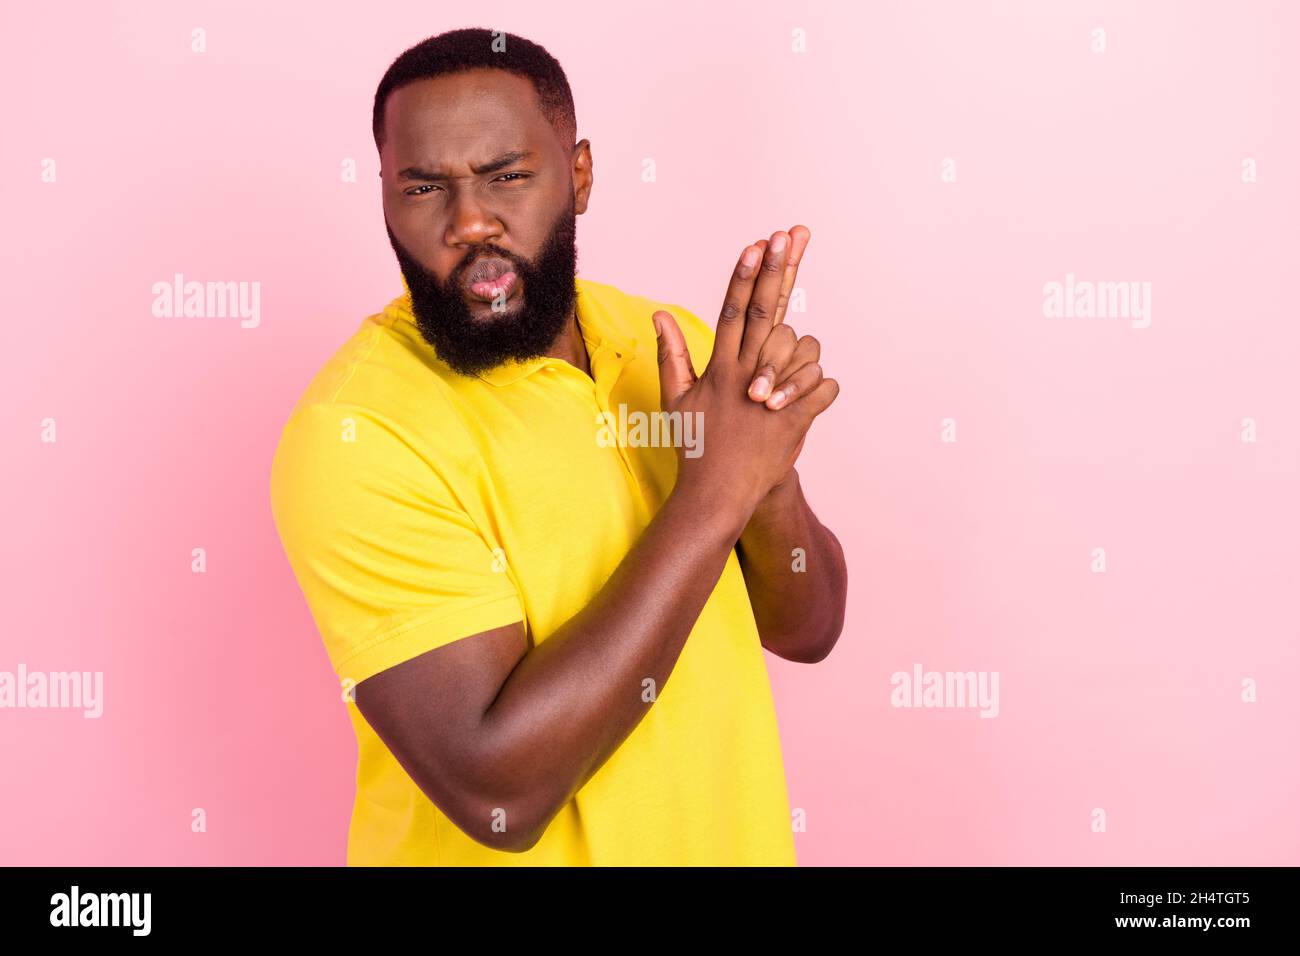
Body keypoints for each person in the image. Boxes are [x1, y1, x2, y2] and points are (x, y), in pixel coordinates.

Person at [269, 27, 845, 866]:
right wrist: (717, 490)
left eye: (507, 176)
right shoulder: (357, 435)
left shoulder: (670, 348)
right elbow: (500, 794)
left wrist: (767, 471)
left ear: (579, 176)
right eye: (425, 187)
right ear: (385, 196)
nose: (470, 221)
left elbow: (811, 626)